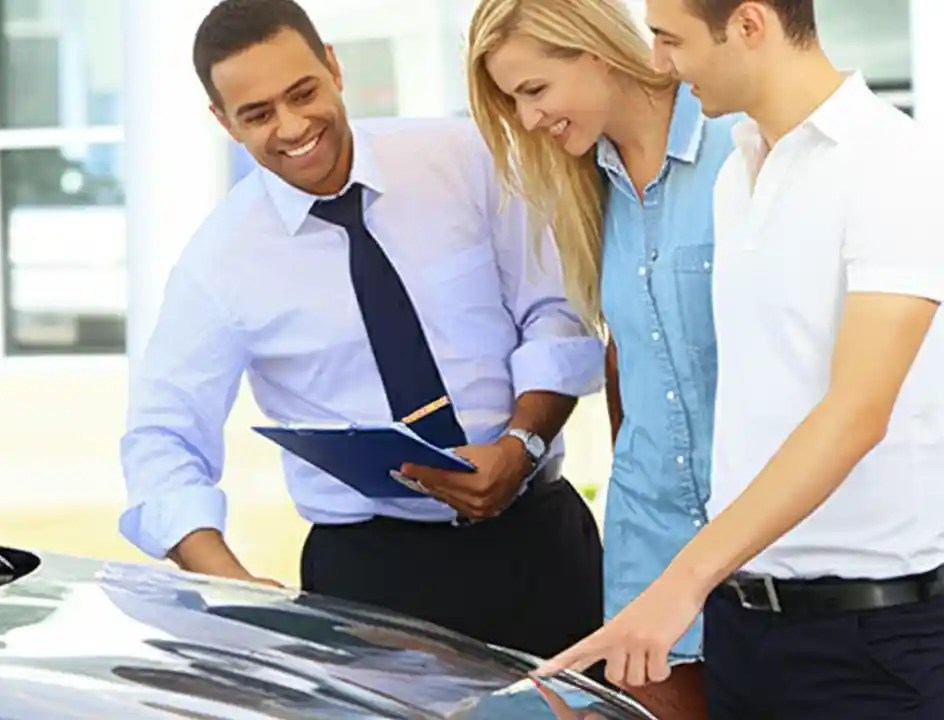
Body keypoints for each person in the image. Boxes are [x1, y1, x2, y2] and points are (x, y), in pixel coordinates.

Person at [119, 0, 606, 661]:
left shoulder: (462, 158)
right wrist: (228, 584)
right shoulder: (218, 264)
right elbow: (160, 439)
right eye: (257, 115)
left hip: (539, 546)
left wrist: (521, 443)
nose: (292, 127)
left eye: (302, 92)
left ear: (334, 67)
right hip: (370, 583)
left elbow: (554, 309)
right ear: (223, 123)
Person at [539, 0, 944, 717]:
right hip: (741, 627)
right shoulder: (739, 173)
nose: (658, 63)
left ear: (749, 25)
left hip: (868, 643)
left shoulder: (897, 166)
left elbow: (857, 413)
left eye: (671, 40)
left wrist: (679, 584)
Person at [465, 0, 738, 716]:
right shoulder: (587, 190)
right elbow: (626, 358)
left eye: (534, 91)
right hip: (649, 546)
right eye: (513, 102)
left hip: (766, 546)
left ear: (594, 50)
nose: (528, 120)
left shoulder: (739, 147)